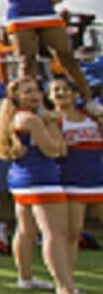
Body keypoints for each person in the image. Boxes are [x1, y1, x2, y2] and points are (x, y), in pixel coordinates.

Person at [0, 78, 101, 294]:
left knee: (26, 229)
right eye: (27, 92)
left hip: (24, 180)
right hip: (42, 180)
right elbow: (55, 150)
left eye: (36, 91)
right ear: (16, 97)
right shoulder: (31, 119)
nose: (35, 95)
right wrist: (50, 125)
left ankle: (26, 278)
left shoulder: (18, 117)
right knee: (55, 235)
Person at [48, 78, 103, 277]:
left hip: (99, 178)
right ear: (50, 96)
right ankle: (66, 278)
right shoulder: (52, 121)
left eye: (65, 89)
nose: (62, 93)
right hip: (71, 182)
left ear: (74, 93)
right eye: (56, 90)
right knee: (72, 233)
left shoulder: (91, 116)